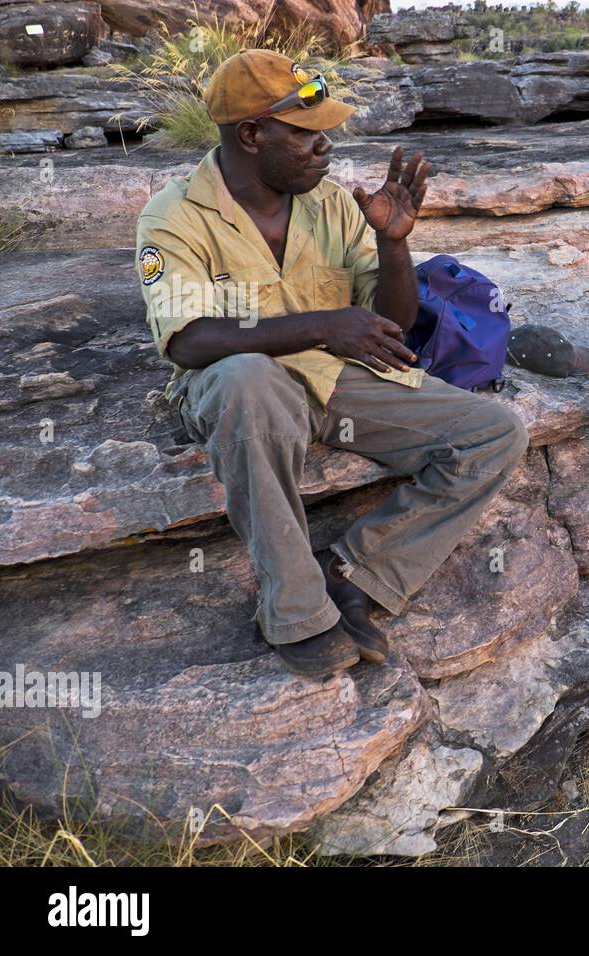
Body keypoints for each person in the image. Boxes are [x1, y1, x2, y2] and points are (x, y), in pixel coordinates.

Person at [135, 50, 527, 679]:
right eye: (305, 132)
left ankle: (353, 574)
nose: (324, 147)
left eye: (324, 132)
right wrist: (323, 324)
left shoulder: (332, 203)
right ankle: (295, 611)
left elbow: (391, 324)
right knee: (248, 380)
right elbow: (187, 340)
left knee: (494, 432)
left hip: (334, 380)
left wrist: (393, 244)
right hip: (237, 388)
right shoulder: (175, 215)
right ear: (252, 133)